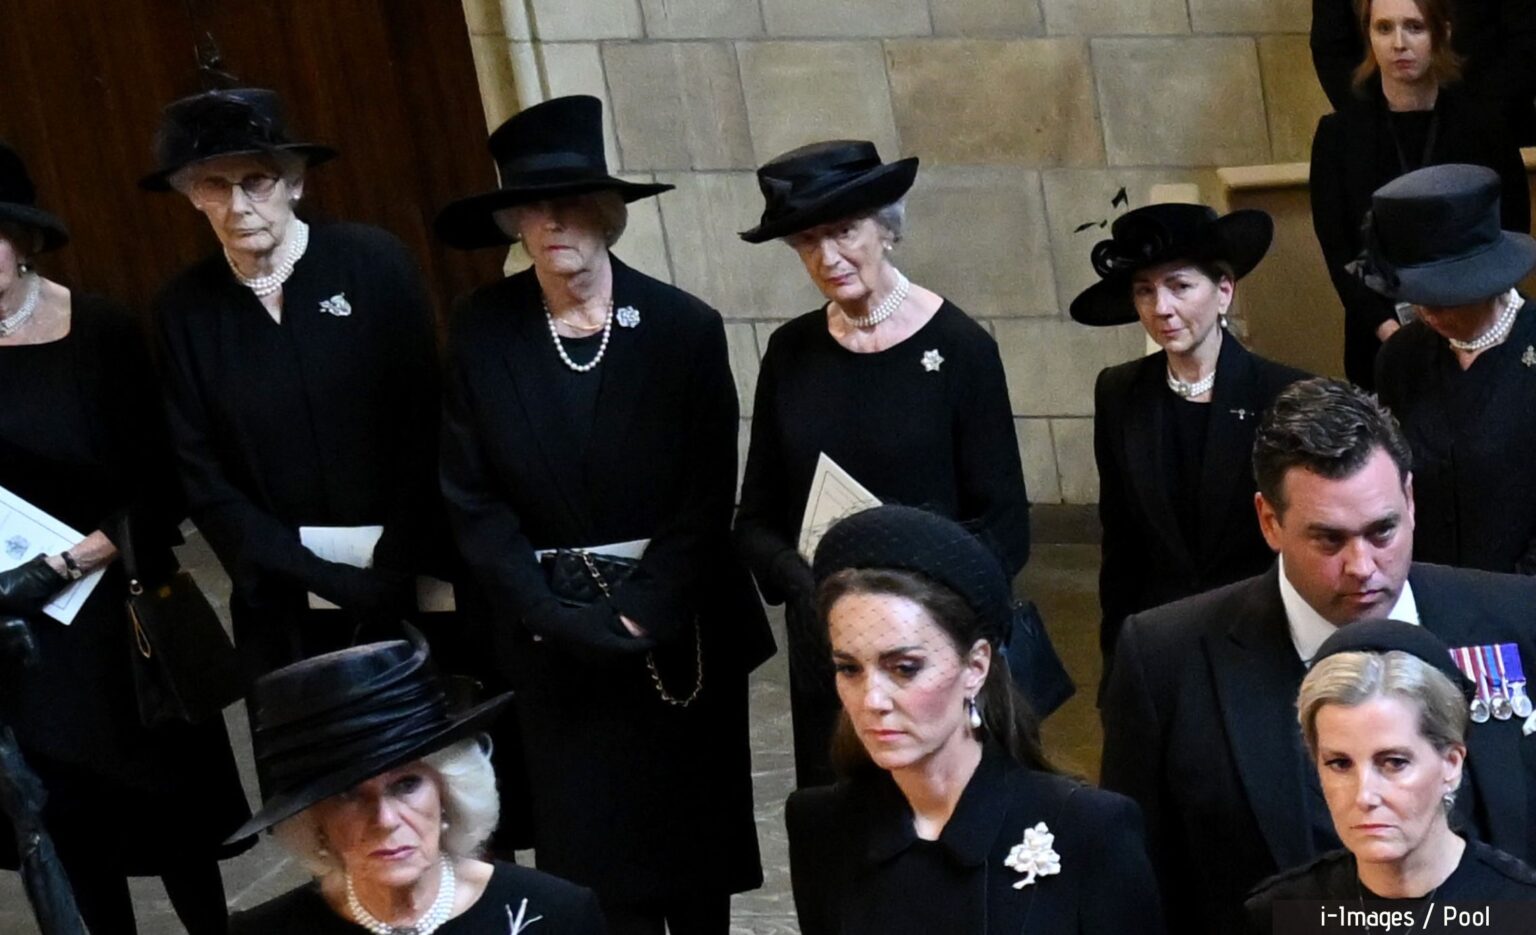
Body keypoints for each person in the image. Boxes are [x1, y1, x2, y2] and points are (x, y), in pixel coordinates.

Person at [436, 95, 773, 935]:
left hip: (674, 629)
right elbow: (469, 495)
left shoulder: (682, 328)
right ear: (513, 220)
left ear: (606, 213)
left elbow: (706, 492)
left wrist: (642, 606)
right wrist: (546, 611)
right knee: (588, 860)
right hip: (545, 636)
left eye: (570, 203)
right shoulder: (482, 330)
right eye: (532, 207)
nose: (551, 224)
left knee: (690, 853)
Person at [1100, 376, 1536, 934]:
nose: (1362, 566)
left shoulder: (1516, 619)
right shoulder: (1165, 659)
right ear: (1269, 521)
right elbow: (1138, 889)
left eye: (1383, 531)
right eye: (1329, 539)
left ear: (1409, 499)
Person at [0, 141, 251, 934]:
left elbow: (164, 476)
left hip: (122, 612)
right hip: (21, 634)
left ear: (22, 238)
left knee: (172, 817)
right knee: (69, 824)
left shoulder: (100, 329)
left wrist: (71, 560)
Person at [734, 140, 1032, 787]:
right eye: (807, 241)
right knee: (847, 842)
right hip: (830, 650)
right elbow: (755, 520)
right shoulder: (790, 354)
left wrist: (910, 606)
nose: (828, 256)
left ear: (886, 228)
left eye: (843, 231)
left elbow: (1005, 526)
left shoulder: (959, 348)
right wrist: (811, 588)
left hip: (933, 653)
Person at [146, 87, 449, 675]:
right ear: (193, 199)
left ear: (295, 183)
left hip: (411, 578)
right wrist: (314, 574)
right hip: (281, 597)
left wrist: (392, 564)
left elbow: (431, 421)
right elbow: (200, 473)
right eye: (214, 185)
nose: (238, 206)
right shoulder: (182, 309)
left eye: (256, 180)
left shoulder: (374, 263)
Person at [787, 505, 1161, 935]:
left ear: (976, 666)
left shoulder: (1088, 829)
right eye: (849, 669)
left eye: (905, 668)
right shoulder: (822, 826)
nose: (872, 700)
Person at [227, 628, 607, 934]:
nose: (386, 819)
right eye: (347, 794)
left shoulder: (559, 916)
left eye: (406, 784)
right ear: (314, 821)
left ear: (447, 792)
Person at [1071, 203, 1308, 668]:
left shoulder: (1285, 394)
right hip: (1162, 643)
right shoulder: (1120, 392)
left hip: (1261, 639)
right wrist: (1117, 661)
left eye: (1180, 286)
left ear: (1223, 291)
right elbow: (1120, 542)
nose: (1162, 308)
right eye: (1144, 291)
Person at [1246, 620, 1536, 933]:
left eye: (1394, 762)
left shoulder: (1519, 911)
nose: (1364, 796)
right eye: (1340, 764)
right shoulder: (1284, 914)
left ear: (1451, 764)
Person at [1308, 0, 1529, 390]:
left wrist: (1467, 325)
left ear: (1441, 32)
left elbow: (1509, 232)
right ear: (1369, 37)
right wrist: (1393, 334)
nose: (1398, 44)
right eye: (1384, 29)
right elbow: (1340, 250)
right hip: (1380, 339)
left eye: (1414, 27)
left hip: (1479, 335)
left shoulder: (1485, 128)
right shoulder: (1339, 136)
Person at [1362, 164, 1536, 574]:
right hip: (1430, 594)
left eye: (1444, 292)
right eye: (1415, 292)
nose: (1427, 309)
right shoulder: (1401, 357)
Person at [1311, 0, 1536, 144]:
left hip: (1495, 130)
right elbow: (1332, 49)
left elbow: (1525, 40)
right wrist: (1375, 119)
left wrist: (1478, 120)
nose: (1400, 43)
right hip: (1376, 138)